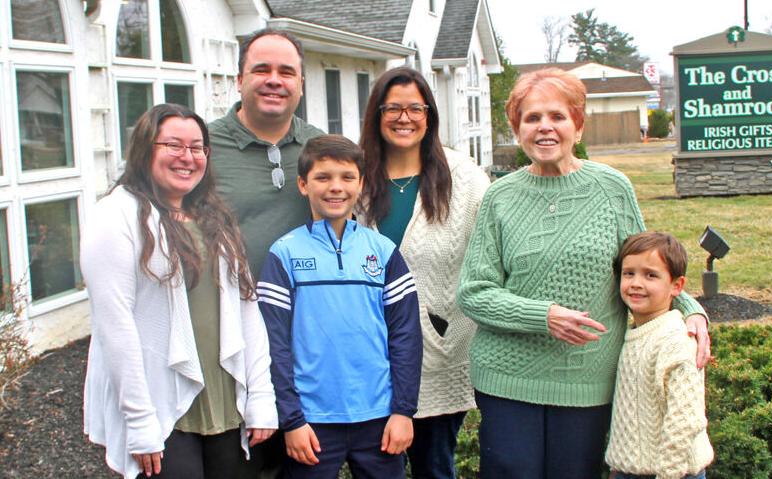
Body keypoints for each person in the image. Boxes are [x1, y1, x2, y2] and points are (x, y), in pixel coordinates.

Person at [456, 68, 711, 479]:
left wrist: (690, 308)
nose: (544, 127)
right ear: (516, 129)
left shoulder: (612, 188)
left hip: (588, 376)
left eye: (556, 116)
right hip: (507, 377)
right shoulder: (499, 196)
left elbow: (644, 267)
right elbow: (473, 292)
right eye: (531, 118)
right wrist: (545, 316)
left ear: (578, 124)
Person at [81, 104, 278, 479]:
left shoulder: (213, 216)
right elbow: (115, 327)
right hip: (163, 405)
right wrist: (139, 422)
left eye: (197, 147)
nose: (187, 157)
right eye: (173, 145)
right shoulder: (116, 217)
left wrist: (262, 397)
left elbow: (246, 310)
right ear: (144, 149)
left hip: (222, 399)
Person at [256, 135, 423, 478]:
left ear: (361, 184)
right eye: (323, 177)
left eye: (347, 178)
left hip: (380, 418)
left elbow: (406, 335)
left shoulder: (384, 251)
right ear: (303, 184)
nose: (336, 187)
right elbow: (273, 345)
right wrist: (291, 420)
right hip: (311, 423)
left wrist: (403, 411)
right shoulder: (284, 253)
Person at [357, 66, 489, 479]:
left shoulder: (463, 178)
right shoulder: (355, 176)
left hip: (440, 349)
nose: (404, 117)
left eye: (415, 108)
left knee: (434, 468)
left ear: (429, 115)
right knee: (379, 467)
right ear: (376, 115)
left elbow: (496, 250)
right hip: (369, 355)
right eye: (392, 107)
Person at [210, 28, 323, 279]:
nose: (274, 80)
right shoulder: (201, 148)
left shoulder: (321, 147)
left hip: (307, 310)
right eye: (262, 70)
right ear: (239, 80)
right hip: (232, 309)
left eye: (286, 72)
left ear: (301, 85)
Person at [605, 232, 714, 479]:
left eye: (651, 275)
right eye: (628, 273)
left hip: (674, 472)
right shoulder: (635, 333)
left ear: (677, 286)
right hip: (629, 470)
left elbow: (682, 422)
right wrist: (618, 465)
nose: (636, 283)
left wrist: (668, 476)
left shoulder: (676, 340)